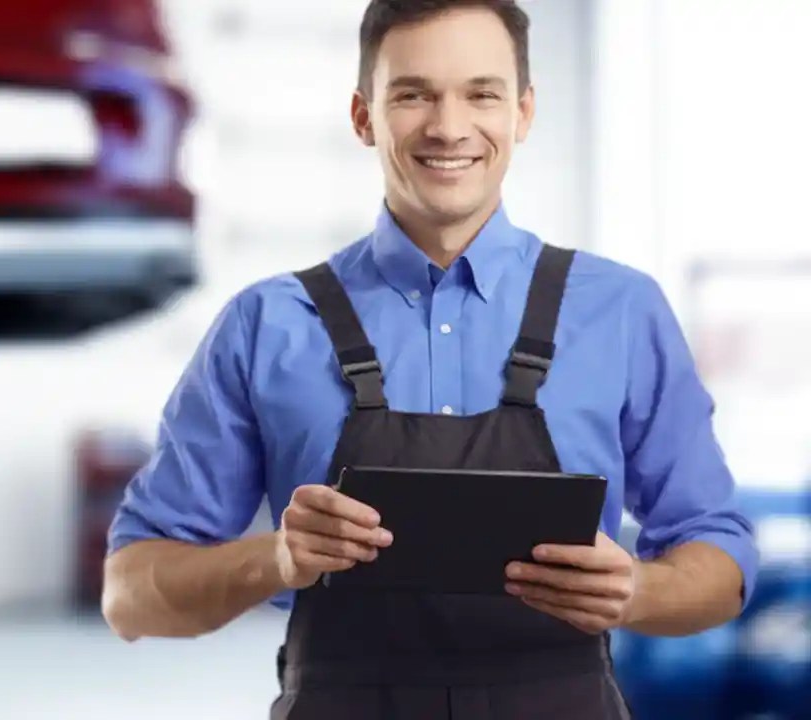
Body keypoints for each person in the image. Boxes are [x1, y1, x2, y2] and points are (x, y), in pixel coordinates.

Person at [100, 1, 758, 717]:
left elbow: (720, 559)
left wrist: (638, 590)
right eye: (414, 94)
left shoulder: (621, 312)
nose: (449, 127)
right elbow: (130, 597)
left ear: (523, 112)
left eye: (482, 94)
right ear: (364, 116)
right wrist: (276, 558)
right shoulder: (266, 326)